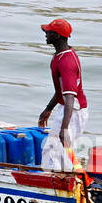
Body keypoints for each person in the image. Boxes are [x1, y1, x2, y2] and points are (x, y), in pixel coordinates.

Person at [37, 19, 88, 171]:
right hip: (68, 108)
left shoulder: (66, 62)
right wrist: (48, 109)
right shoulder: (60, 56)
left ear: (58, 36)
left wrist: (64, 128)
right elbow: (62, 91)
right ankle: (63, 179)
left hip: (73, 111)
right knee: (60, 150)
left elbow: (70, 98)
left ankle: (59, 185)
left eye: (49, 32)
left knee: (55, 150)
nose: (45, 34)